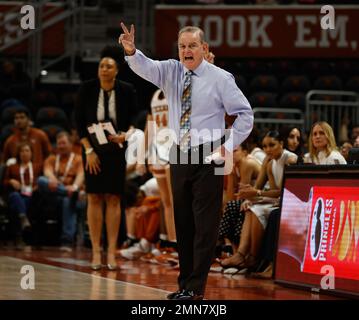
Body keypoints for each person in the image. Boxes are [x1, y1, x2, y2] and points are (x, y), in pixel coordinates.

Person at [119, 23, 253, 299]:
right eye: (182, 46)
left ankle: (195, 289)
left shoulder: (221, 78)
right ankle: (184, 286)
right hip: (179, 153)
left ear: (204, 48)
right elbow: (146, 67)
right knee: (183, 223)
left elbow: (245, 115)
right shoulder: (171, 71)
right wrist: (132, 52)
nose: (187, 51)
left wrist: (228, 147)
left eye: (192, 45)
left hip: (210, 153)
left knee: (204, 225)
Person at [75, 45, 138, 271]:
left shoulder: (127, 90)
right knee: (94, 198)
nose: (104, 69)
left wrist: (126, 135)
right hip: (92, 151)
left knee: (113, 198)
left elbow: (134, 121)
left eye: (109, 66)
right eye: (101, 66)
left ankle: (111, 251)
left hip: (116, 150)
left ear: (117, 70)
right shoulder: (86, 89)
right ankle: (95, 251)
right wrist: (88, 152)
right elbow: (79, 125)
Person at [220, 131, 297, 274]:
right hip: (275, 199)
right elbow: (260, 187)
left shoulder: (290, 159)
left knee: (254, 209)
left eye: (272, 145)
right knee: (249, 207)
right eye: (265, 146)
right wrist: (251, 197)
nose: (268, 149)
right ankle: (241, 255)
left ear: (281, 144)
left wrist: (255, 194)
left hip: (290, 200)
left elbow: (283, 190)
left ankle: (253, 258)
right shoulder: (269, 161)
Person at [37, 131, 84, 251]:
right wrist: (52, 179)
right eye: (59, 144)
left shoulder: (78, 159)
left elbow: (80, 176)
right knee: (41, 180)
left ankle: (67, 241)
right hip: (56, 193)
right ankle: (65, 191)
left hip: (74, 196)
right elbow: (47, 171)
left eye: (64, 143)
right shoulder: (52, 158)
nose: (61, 146)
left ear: (71, 144)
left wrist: (74, 187)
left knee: (67, 200)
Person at [3, 142, 42, 247]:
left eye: (27, 151)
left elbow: (42, 181)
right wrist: (11, 181)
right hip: (18, 195)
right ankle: (24, 219)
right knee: (15, 197)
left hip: (32, 196)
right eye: (22, 151)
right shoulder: (12, 167)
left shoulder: (37, 167)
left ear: (31, 153)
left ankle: (20, 235)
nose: (24, 153)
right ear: (18, 154)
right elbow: (4, 182)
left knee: (20, 205)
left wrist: (37, 186)